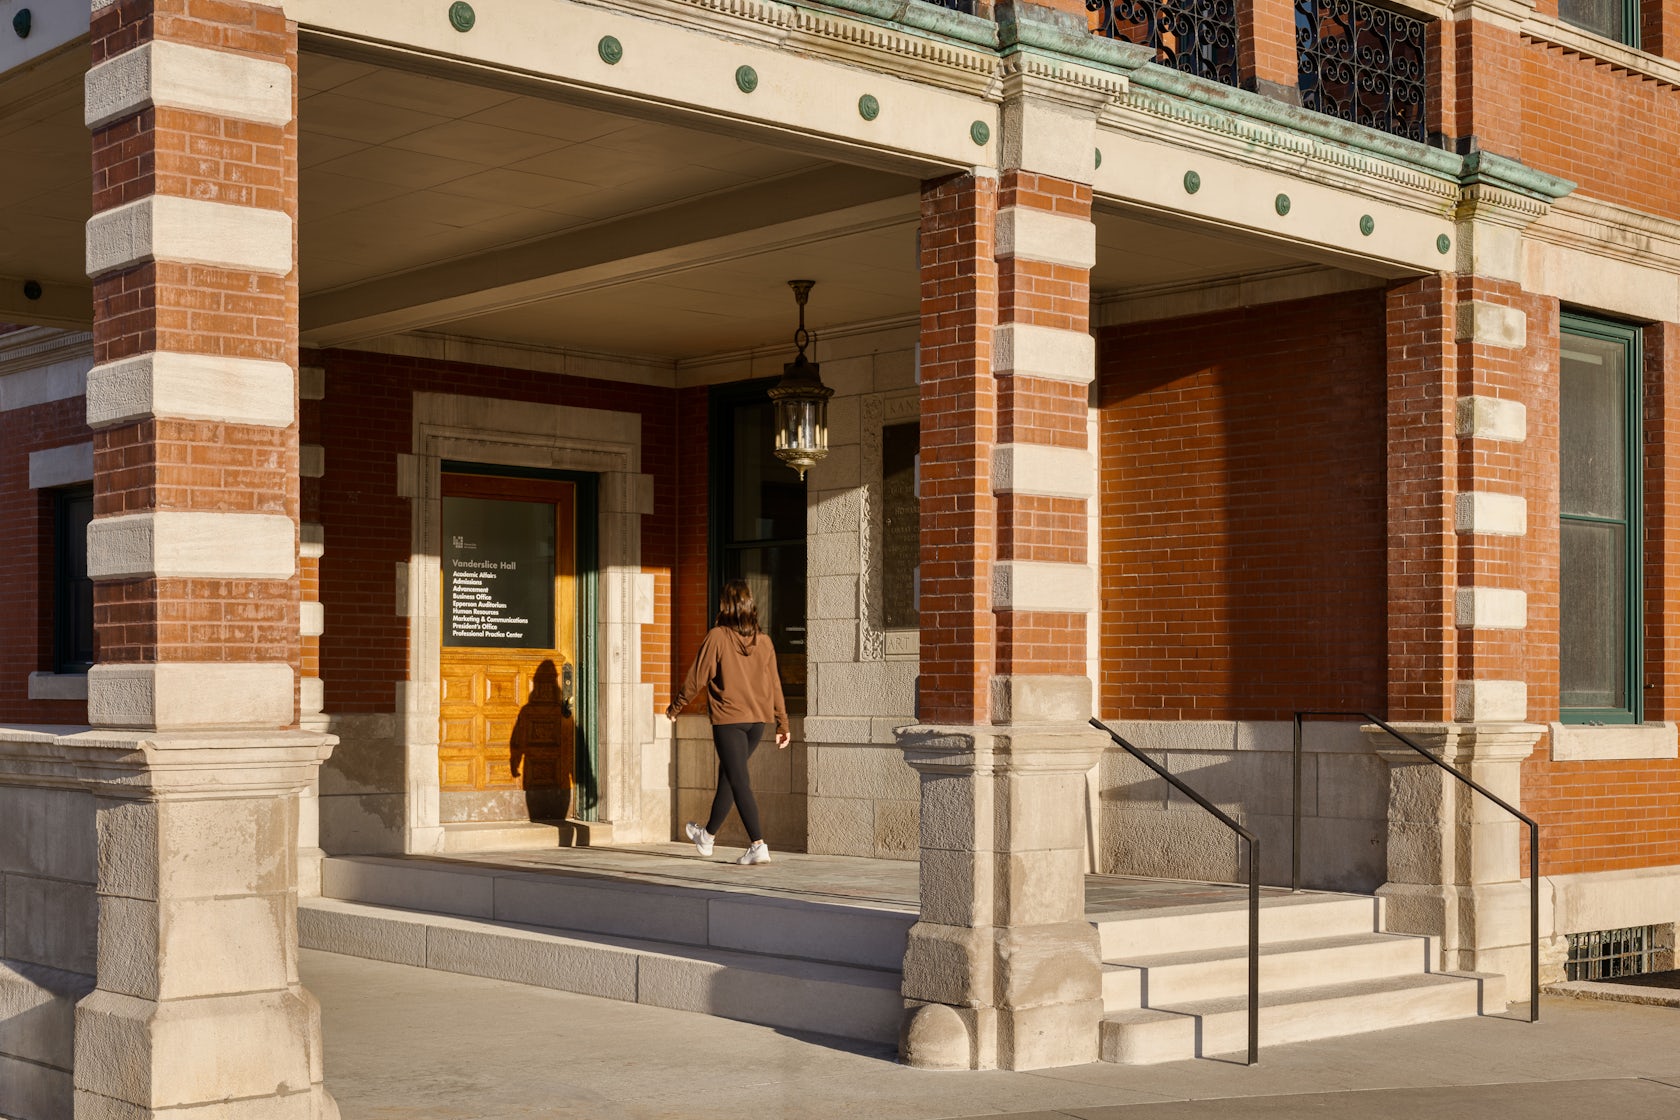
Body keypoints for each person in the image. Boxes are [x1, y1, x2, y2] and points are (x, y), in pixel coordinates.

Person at [665, 578, 789, 865]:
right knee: (730, 778)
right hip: (757, 723)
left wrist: (676, 707)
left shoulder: (718, 637)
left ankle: (758, 844)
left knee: (738, 780)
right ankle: (706, 837)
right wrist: (783, 723)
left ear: (726, 606)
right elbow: (775, 685)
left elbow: (697, 677)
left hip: (730, 721)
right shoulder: (765, 641)